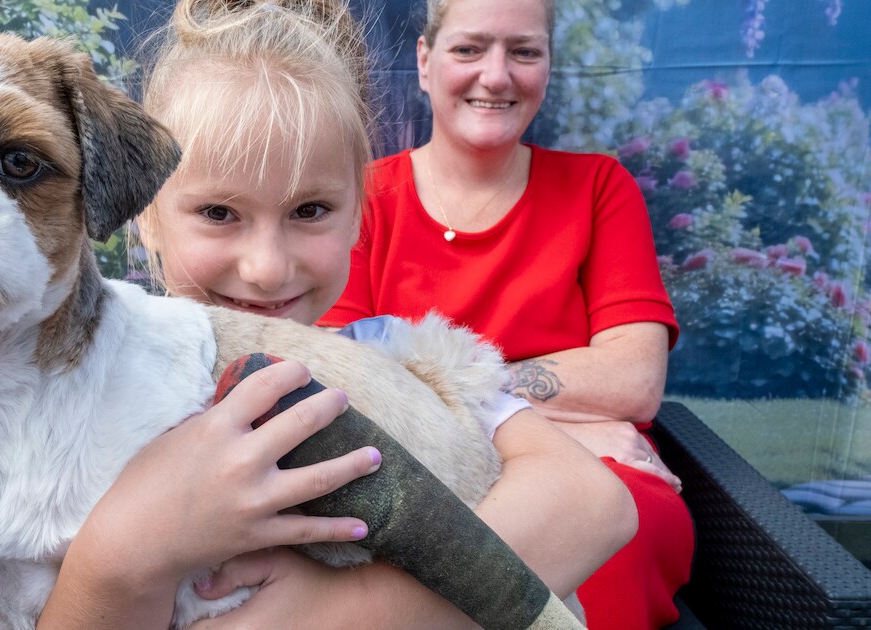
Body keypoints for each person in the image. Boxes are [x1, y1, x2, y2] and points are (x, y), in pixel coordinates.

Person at [39, 1, 637, 628]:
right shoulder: (87, 395)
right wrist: (119, 551)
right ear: (148, 215)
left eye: (309, 211)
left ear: (357, 214)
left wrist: (334, 611)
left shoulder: (395, 359)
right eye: (218, 213)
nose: (268, 268)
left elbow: (592, 504)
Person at [318, 0, 694, 627]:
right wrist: (552, 433)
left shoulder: (600, 189)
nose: (496, 76)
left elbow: (633, 381)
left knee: (606, 543)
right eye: (469, 49)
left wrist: (434, 385)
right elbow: (347, 382)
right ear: (424, 61)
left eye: (523, 51)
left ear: (548, 65)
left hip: (604, 473)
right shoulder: (362, 198)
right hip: (421, 472)